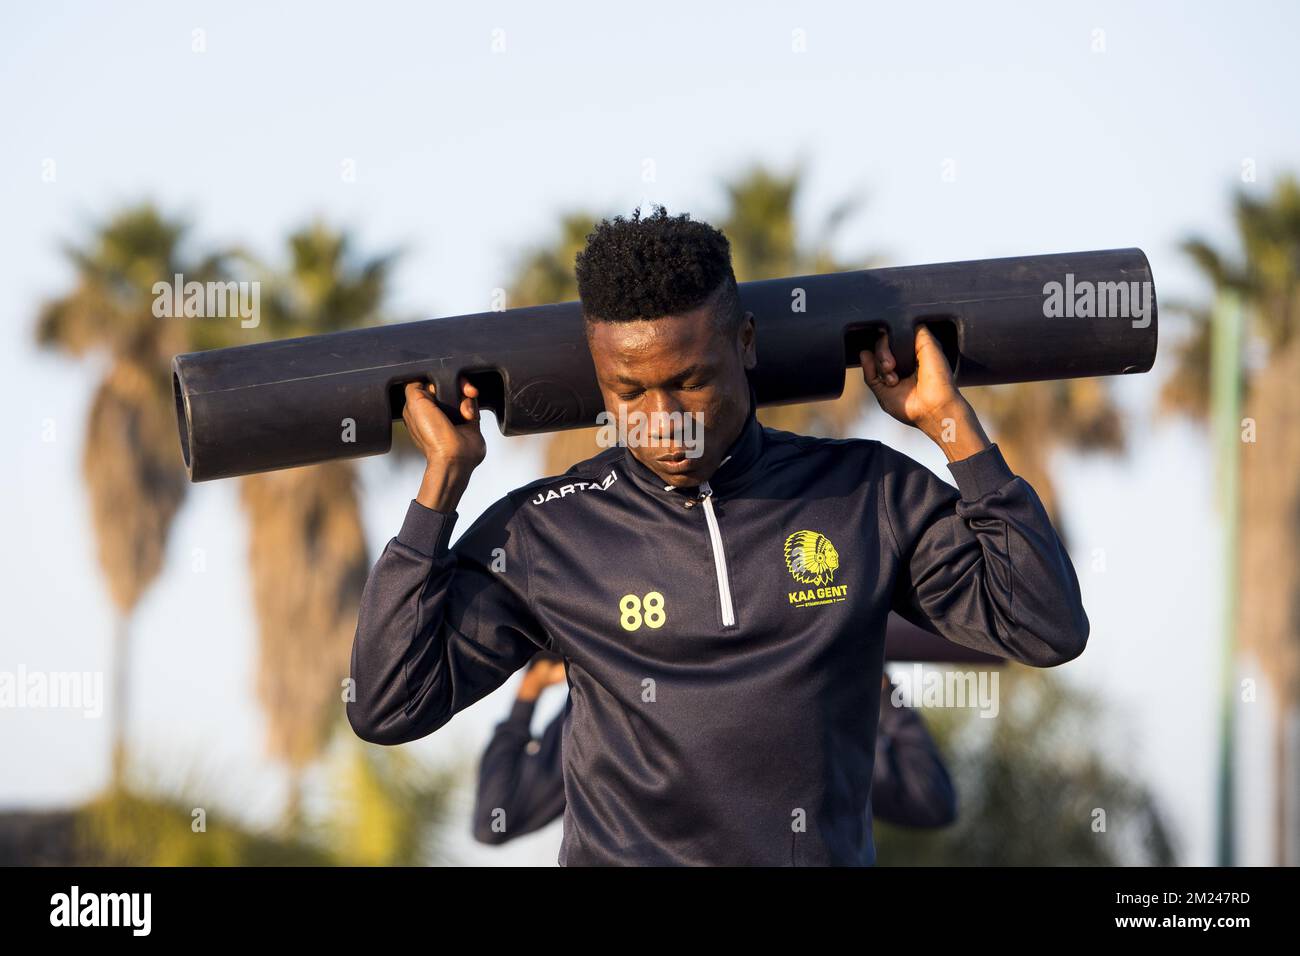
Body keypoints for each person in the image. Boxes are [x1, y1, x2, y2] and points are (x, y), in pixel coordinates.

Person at [346, 205, 1088, 865]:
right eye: (628, 392)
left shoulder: (865, 493)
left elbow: (1045, 627)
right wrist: (440, 486)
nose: (662, 418)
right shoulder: (548, 531)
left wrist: (952, 429)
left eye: (690, 381)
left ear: (746, 344)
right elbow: (388, 706)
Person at [472, 653, 956, 846]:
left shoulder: (602, 715)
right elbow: (928, 798)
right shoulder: (602, 715)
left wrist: (529, 693)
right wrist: (879, 686)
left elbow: (495, 816)